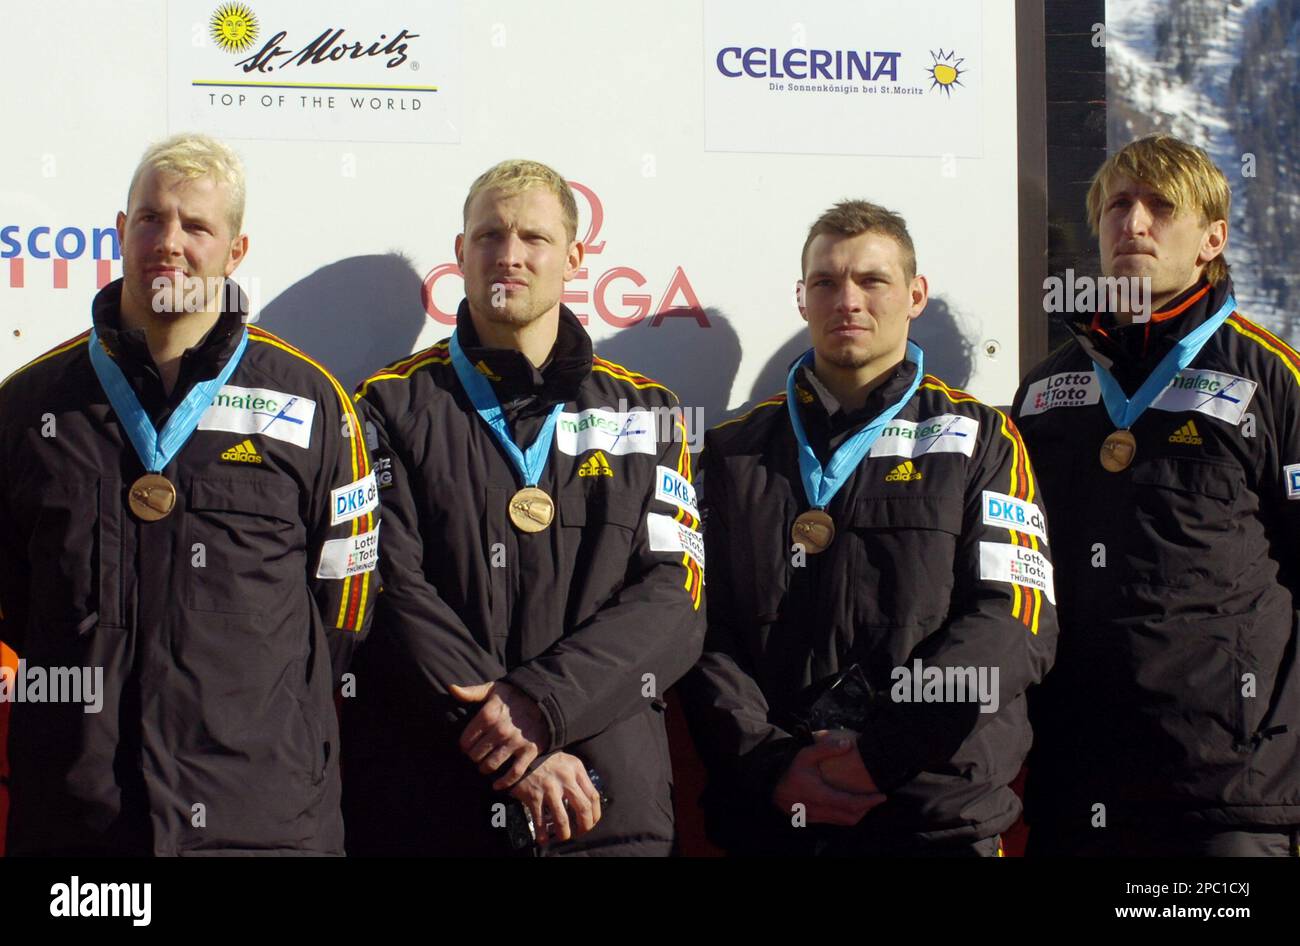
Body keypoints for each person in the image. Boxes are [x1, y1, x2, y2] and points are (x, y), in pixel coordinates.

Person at [0, 134, 377, 855]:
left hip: (262, 817)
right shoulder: (30, 406)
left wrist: (252, 705)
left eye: (196, 226)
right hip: (80, 818)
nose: (169, 243)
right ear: (120, 231)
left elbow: (347, 600)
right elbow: (18, 600)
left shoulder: (312, 403)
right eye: (150, 219)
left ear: (236, 251)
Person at [341, 159, 705, 856]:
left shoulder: (649, 412)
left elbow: (676, 599)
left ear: (573, 257)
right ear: (460, 255)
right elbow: (386, 588)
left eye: (533, 238)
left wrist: (543, 707)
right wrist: (514, 744)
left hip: (604, 806)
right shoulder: (385, 405)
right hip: (428, 802)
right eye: (490, 236)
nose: (509, 255)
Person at [681, 200, 1058, 855]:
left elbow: (1016, 619)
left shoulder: (980, 436)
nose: (847, 300)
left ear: (914, 295)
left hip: (932, 813)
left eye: (872, 281)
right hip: (774, 812)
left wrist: (880, 752)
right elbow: (695, 624)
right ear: (802, 299)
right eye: (825, 283)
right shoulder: (731, 449)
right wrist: (772, 761)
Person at [1014, 134, 1300, 856]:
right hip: (1076, 773)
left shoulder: (1275, 381)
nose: (1133, 224)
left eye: (1159, 207)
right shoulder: (1045, 391)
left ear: (1212, 239)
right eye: (1118, 205)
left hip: (1229, 788)